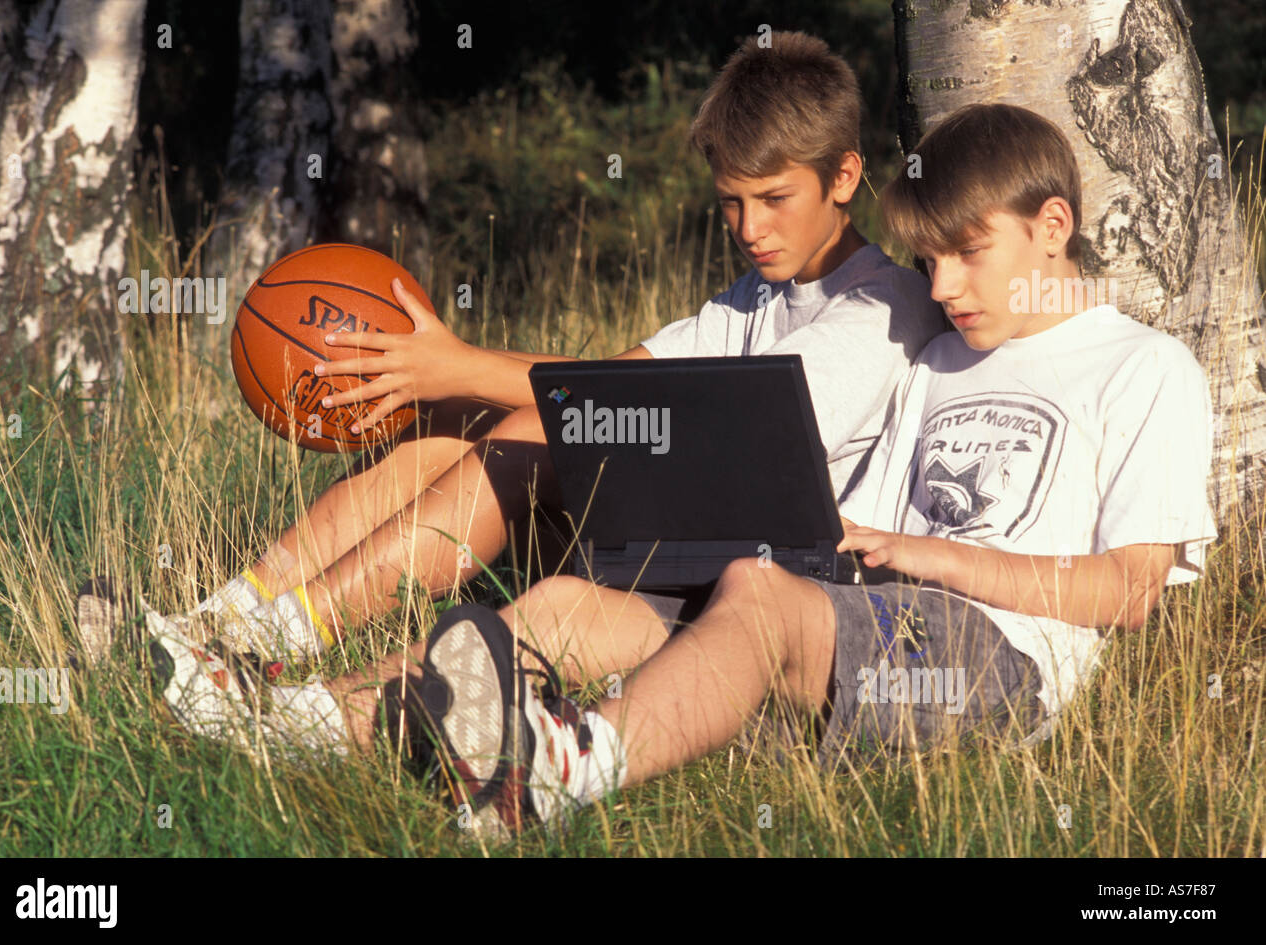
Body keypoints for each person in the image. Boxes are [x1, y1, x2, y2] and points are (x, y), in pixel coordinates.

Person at [241, 100, 1211, 838]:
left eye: (967, 254)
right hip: (828, 599)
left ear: (1051, 226)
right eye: (928, 258)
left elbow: (1126, 593)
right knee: (566, 606)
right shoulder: (935, 343)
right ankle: (310, 723)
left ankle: (557, 775)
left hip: (983, 654)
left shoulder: (1142, 369)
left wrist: (924, 557)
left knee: (752, 589)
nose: (943, 286)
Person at [78, 33, 941, 716]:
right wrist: (445, 376)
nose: (749, 227)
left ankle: (291, 634)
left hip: (753, 575)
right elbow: (616, 376)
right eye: (730, 201)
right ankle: (232, 616)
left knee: (533, 424)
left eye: (774, 199)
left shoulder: (886, 307)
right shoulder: (751, 298)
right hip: (666, 534)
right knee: (457, 419)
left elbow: (690, 424)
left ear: (845, 177)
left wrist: (456, 362)